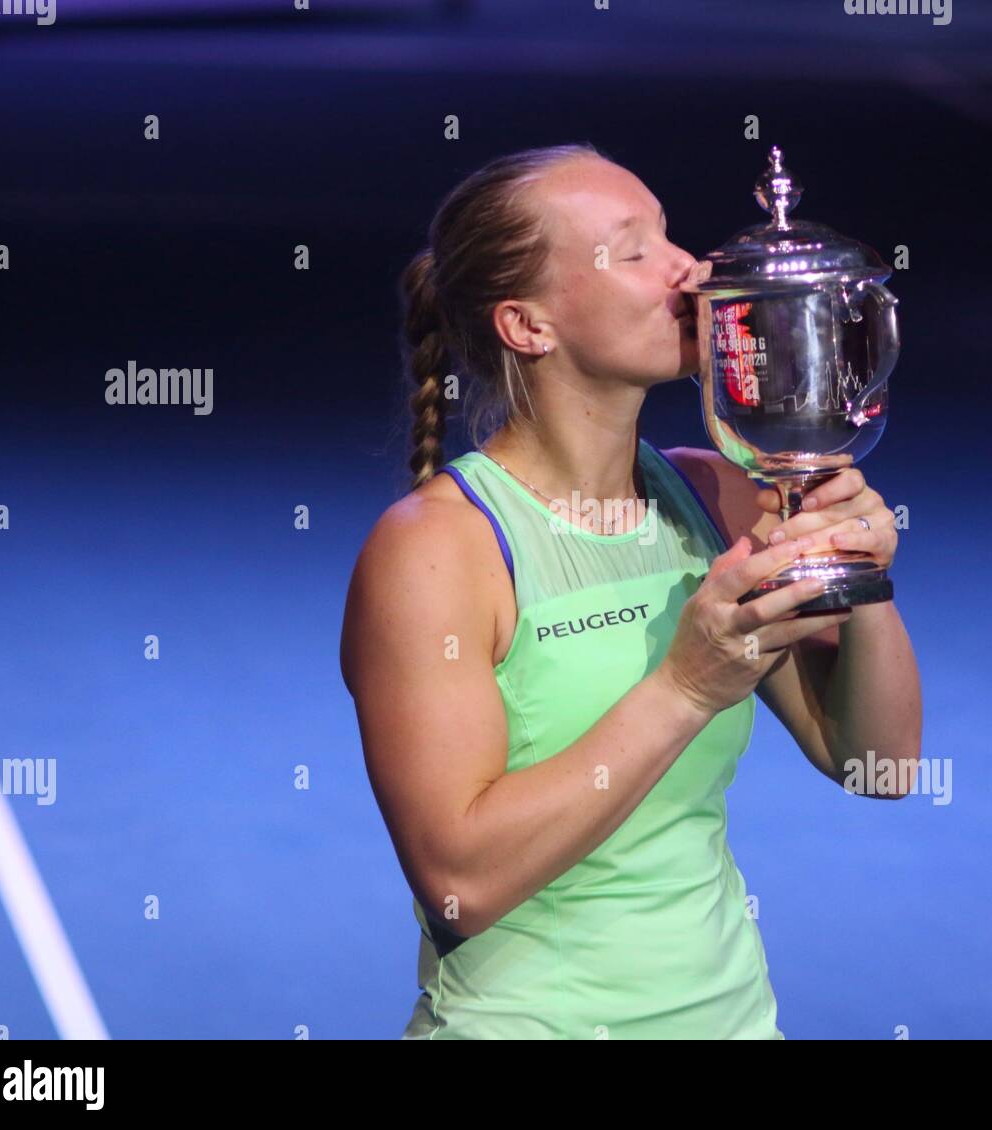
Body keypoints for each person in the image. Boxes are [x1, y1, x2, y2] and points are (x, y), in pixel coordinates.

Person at [339, 142, 922, 1039]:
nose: (691, 270)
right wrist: (684, 687)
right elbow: (461, 884)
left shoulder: (716, 493)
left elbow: (876, 765)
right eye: (635, 248)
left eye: (668, 235)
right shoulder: (435, 551)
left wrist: (863, 574)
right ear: (527, 326)